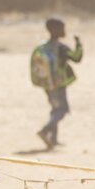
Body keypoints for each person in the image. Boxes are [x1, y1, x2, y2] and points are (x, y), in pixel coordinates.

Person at [35, 18, 83, 148]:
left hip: (47, 84)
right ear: (54, 30)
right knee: (62, 110)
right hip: (59, 85)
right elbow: (76, 58)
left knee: (54, 109)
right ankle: (45, 130)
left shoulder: (44, 47)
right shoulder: (61, 48)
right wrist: (79, 44)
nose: (63, 31)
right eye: (61, 28)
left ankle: (53, 139)